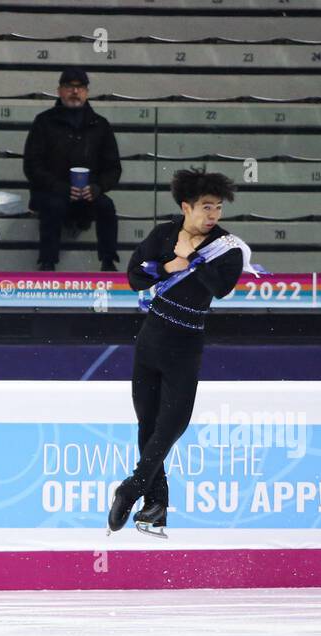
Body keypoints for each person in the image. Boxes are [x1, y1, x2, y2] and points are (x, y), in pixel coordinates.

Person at [107, 168, 252, 535]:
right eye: (206, 208)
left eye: (218, 208)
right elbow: (135, 275)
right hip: (152, 337)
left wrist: (194, 259)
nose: (213, 215)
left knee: (173, 424)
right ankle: (156, 506)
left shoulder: (228, 248)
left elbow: (221, 288)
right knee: (149, 423)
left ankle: (130, 489)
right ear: (186, 207)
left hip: (186, 344)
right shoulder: (164, 234)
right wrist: (169, 264)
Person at [22, 67, 121, 272]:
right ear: (59, 90)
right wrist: (59, 187)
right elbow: (32, 166)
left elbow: (113, 168)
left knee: (106, 206)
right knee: (53, 205)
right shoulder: (44, 122)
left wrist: (97, 187)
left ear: (86, 91)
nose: (74, 92)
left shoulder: (100, 125)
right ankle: (47, 263)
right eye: (69, 87)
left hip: (88, 195)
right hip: (51, 194)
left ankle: (108, 262)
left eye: (79, 87)